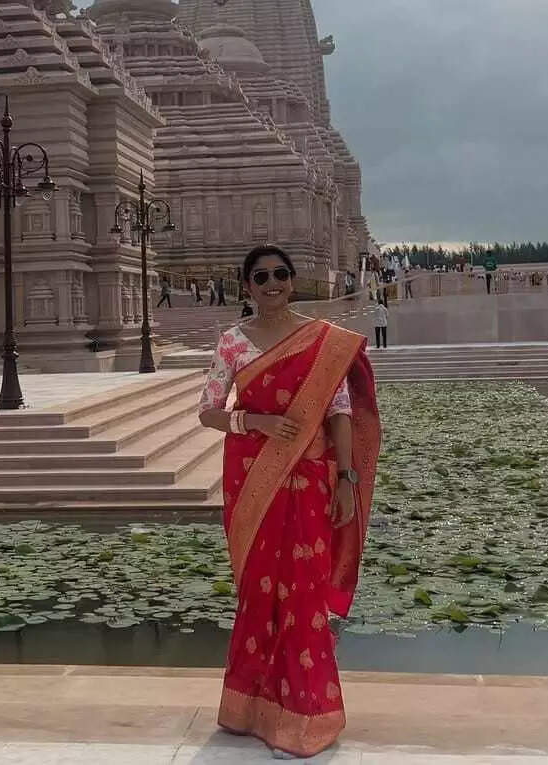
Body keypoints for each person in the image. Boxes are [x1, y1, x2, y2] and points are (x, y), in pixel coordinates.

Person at [197, 245, 380, 759]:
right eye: (261, 277)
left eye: (280, 274)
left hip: (311, 477)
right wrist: (254, 421)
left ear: (292, 281)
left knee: (302, 593)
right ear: (247, 287)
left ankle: (306, 716)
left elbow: (339, 410)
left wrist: (345, 478)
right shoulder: (233, 343)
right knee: (258, 595)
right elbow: (208, 411)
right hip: (253, 477)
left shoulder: (323, 340)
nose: (272, 283)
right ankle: (249, 710)